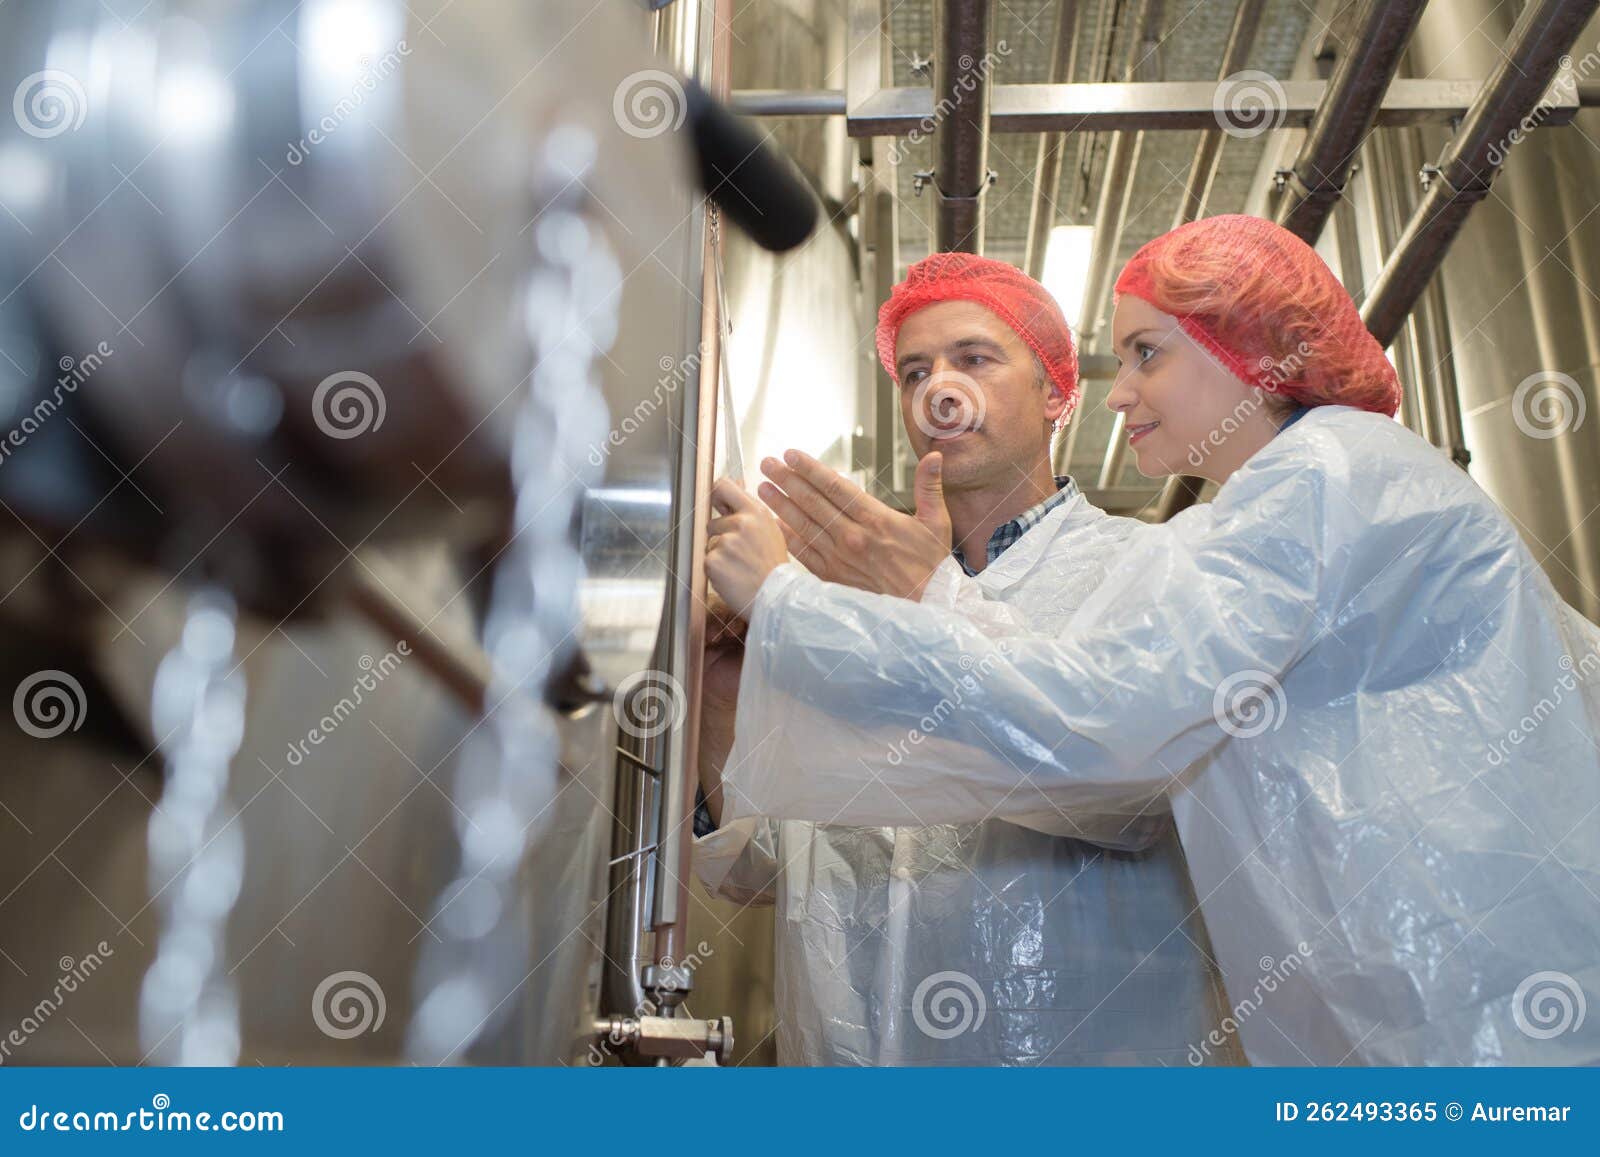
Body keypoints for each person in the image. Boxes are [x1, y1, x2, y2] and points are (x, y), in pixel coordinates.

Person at [704, 215, 1600, 1067]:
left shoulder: (1232, 527)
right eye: (913, 372)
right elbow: (799, 848)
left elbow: (1115, 752)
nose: (1122, 388)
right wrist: (729, 674)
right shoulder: (1283, 504)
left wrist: (815, 604)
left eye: (1145, 353)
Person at [693, 253, 1234, 1066]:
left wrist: (929, 600)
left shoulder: (1154, 570)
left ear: (1058, 392)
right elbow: (768, 866)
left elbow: (1128, 795)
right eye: (916, 370)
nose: (939, 388)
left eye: (974, 358)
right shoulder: (839, 611)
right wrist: (726, 699)